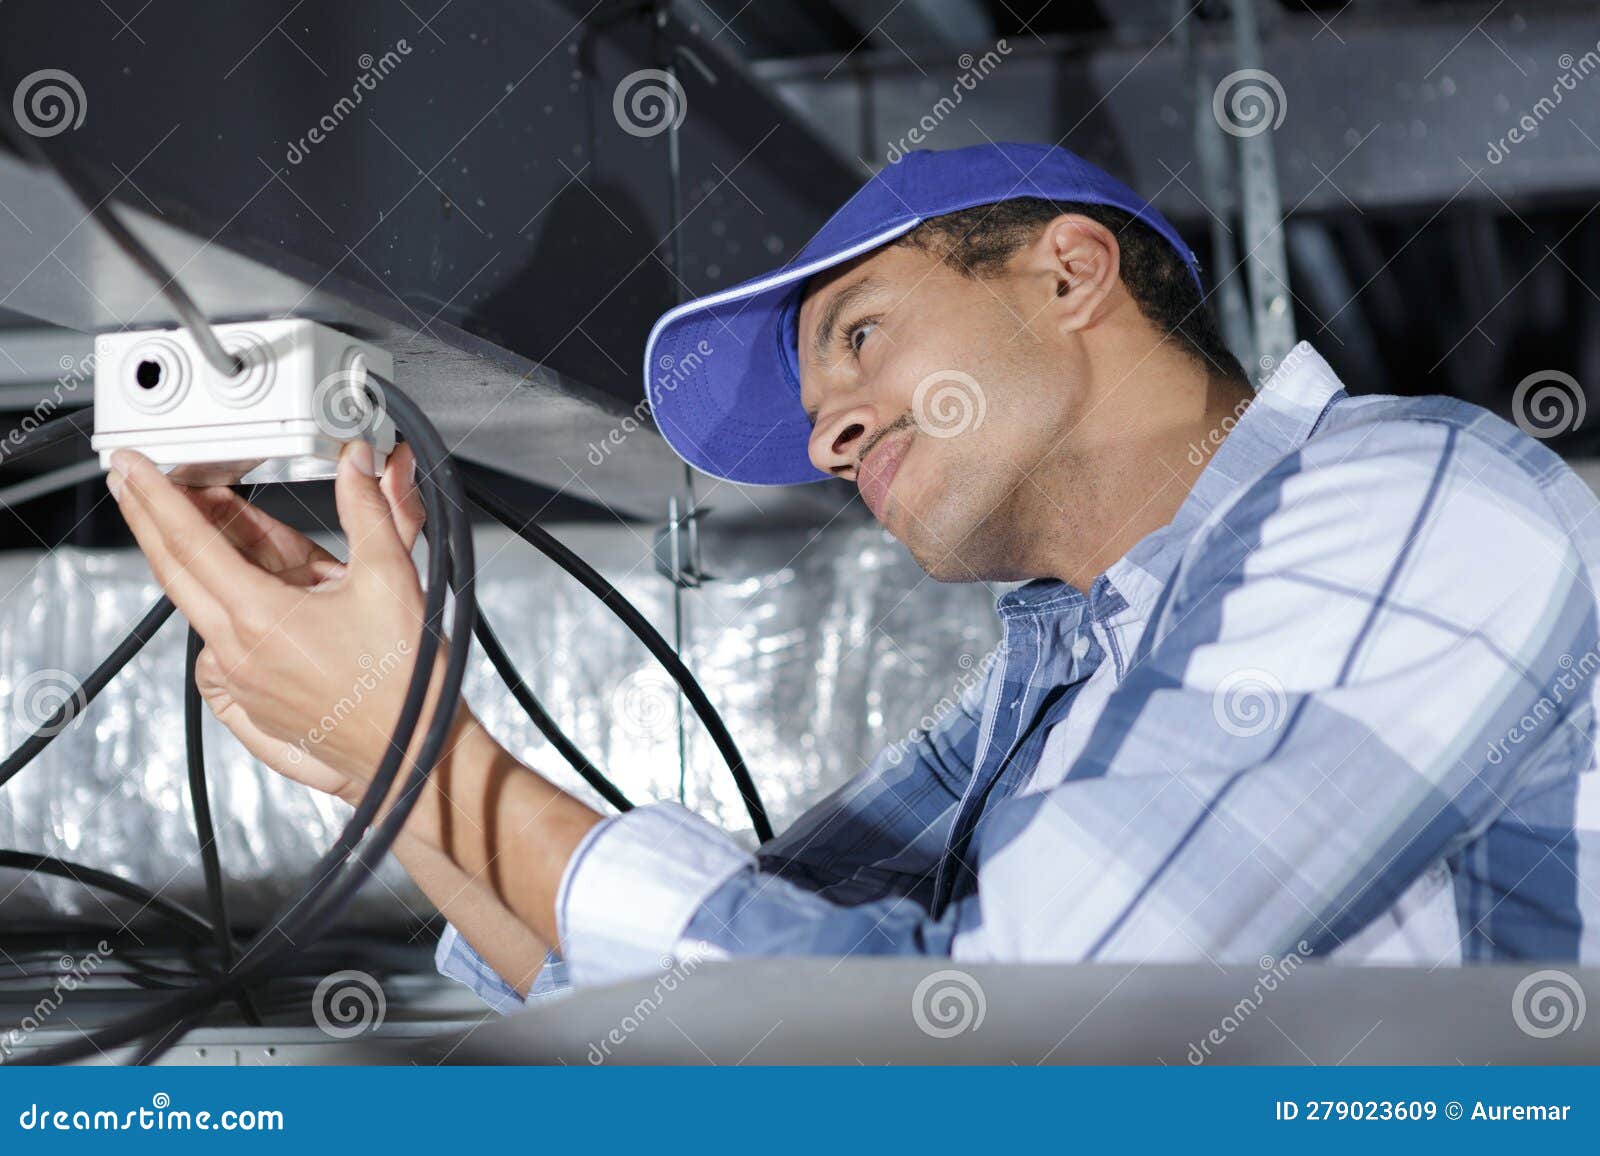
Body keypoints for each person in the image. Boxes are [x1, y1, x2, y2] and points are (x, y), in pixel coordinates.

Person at [105, 142, 1600, 1013]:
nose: (827, 435)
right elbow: (697, 1001)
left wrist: (414, 741)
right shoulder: (1059, 676)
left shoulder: (1413, 503)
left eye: (859, 336)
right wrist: (368, 744)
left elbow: (1022, 1046)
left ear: (1069, 273)